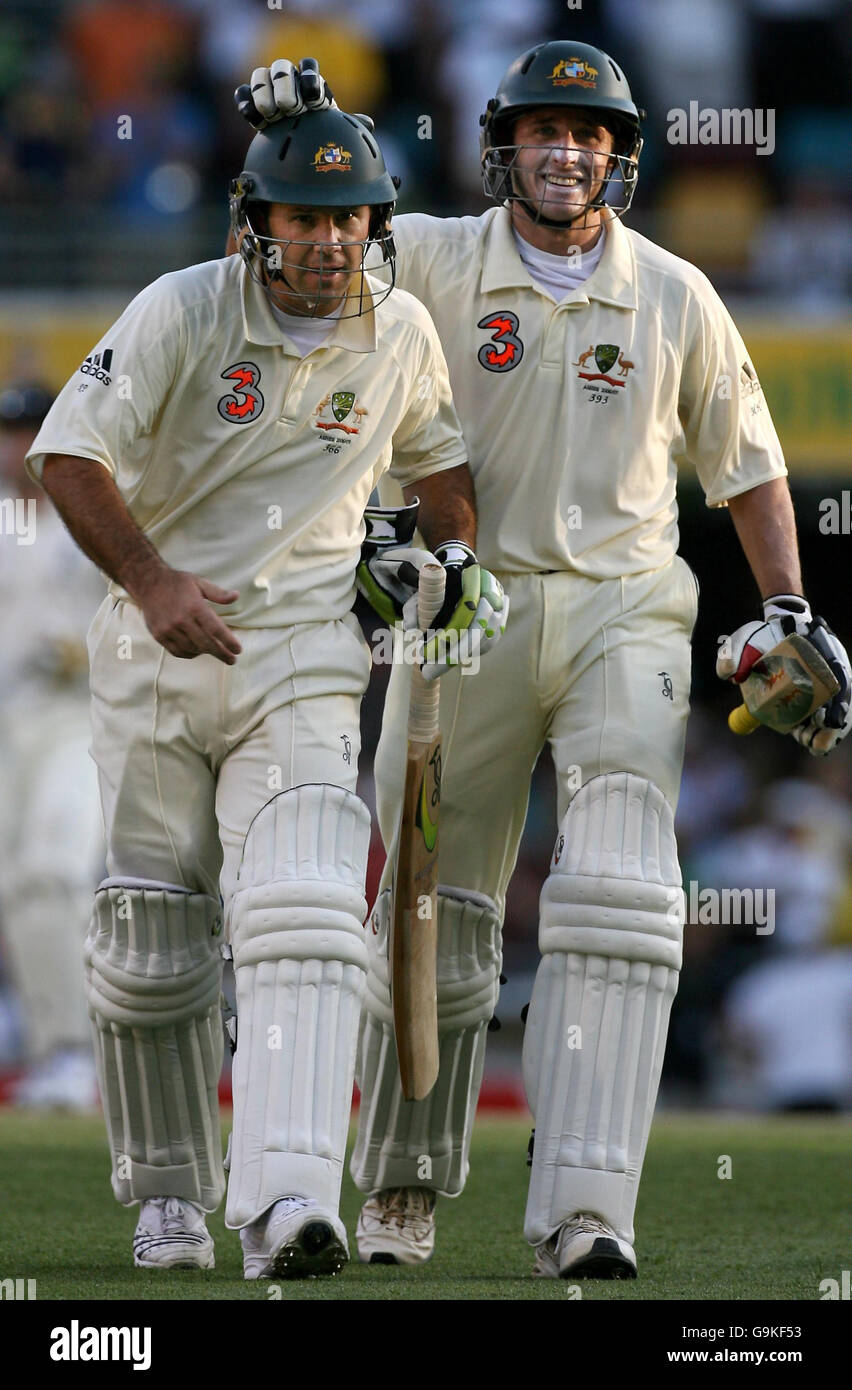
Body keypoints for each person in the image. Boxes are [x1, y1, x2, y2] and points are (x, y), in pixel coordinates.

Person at [237, 45, 852, 1279]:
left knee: (625, 890)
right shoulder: (438, 261)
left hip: (626, 604)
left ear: (620, 157)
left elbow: (749, 467)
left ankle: (586, 1209)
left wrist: (785, 604)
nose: (566, 151)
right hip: (464, 605)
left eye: (590, 133)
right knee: (435, 915)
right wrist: (309, 136)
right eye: (544, 131)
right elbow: (314, 262)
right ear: (502, 145)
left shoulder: (676, 292)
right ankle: (406, 1179)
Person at [25, 97, 506, 1280]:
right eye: (306, 218)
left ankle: (290, 1195)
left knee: (301, 906)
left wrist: (445, 562)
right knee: (151, 945)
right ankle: (172, 1196)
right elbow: (67, 456)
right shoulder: (182, 310)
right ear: (256, 223)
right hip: (154, 654)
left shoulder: (398, 335)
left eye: (351, 220)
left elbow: (440, 470)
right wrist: (151, 582)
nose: (331, 242)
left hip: (302, 652)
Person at [0, 383, 104, 1110]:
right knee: (18, 888)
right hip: (10, 724)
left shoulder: (91, 520)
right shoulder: (6, 523)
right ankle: (49, 1048)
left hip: (81, 719)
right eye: (8, 432)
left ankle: (77, 1053)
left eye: (28, 431)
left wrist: (81, 654)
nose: (16, 447)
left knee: (55, 870)